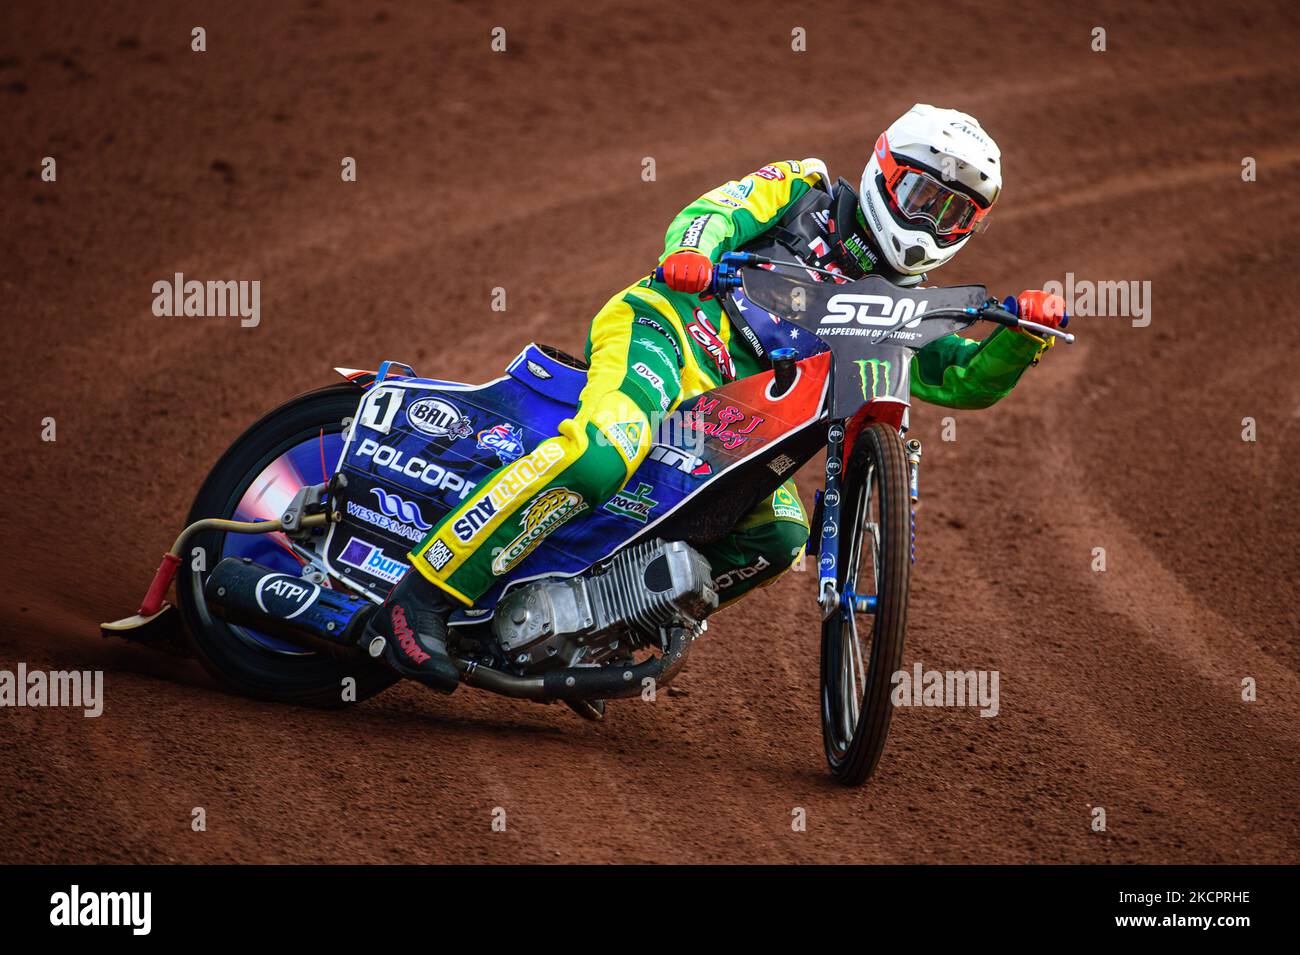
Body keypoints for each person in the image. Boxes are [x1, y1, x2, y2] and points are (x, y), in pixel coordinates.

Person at [364, 104, 1069, 693]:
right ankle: (420, 596)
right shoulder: (810, 188)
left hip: (734, 422)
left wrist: (1025, 335)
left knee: (781, 533)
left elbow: (959, 377)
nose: (929, 222)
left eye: (952, 213)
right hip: (669, 332)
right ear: (885, 173)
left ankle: (603, 628)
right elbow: (720, 209)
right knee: (604, 452)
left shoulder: (903, 307)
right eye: (922, 197)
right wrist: (692, 251)